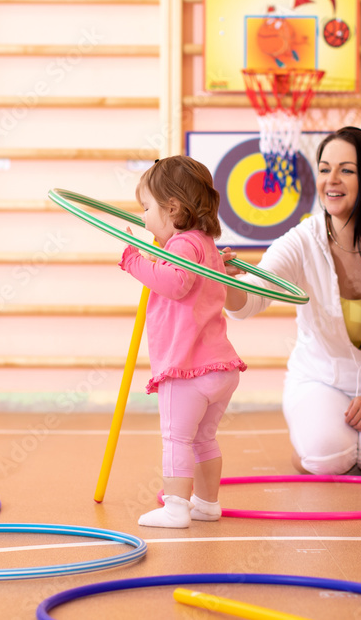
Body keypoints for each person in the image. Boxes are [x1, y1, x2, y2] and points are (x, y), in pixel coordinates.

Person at [223, 126, 361, 479]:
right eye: (324, 169)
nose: (331, 180)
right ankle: (320, 447)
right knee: (325, 460)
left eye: (346, 170)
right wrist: (227, 281)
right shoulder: (302, 240)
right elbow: (250, 300)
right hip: (320, 380)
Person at [119, 156, 247, 528]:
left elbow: (176, 284)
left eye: (147, 208)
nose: (143, 217)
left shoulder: (181, 245)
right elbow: (190, 278)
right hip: (220, 369)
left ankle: (176, 507)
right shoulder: (204, 245)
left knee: (176, 438)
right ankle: (206, 504)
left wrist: (133, 261)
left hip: (187, 368)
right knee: (204, 439)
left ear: (172, 208)